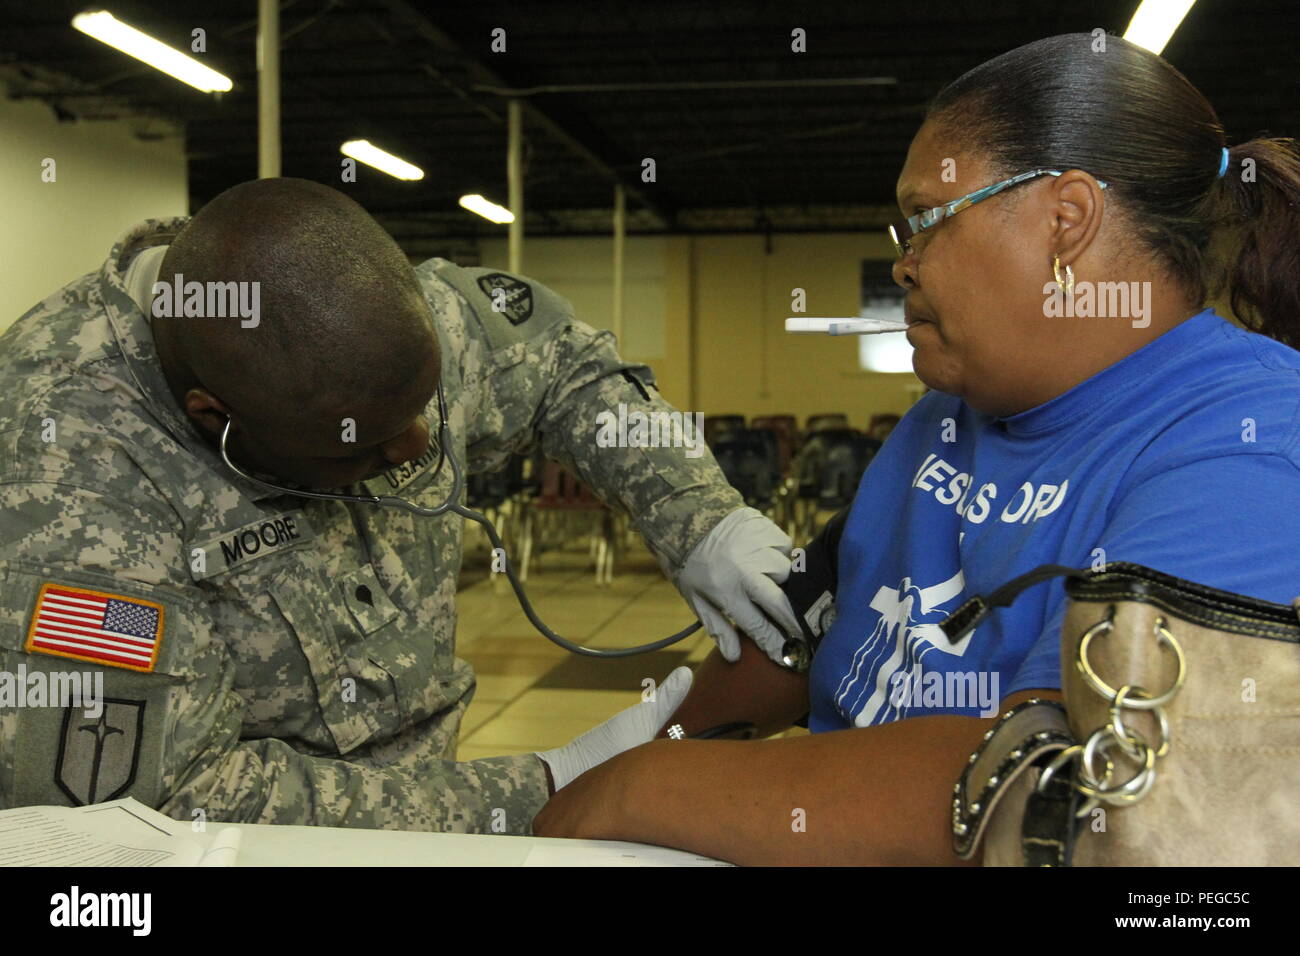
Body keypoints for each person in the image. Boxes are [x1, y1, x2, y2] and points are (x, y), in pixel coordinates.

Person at [532, 33, 1300, 864]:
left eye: (926, 219)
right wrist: (645, 744)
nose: (905, 263)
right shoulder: (948, 413)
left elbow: (1064, 785)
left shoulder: (1254, 440)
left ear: (1066, 220)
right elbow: (813, 628)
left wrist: (634, 784)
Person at [0, 177, 800, 832]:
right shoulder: (65, 473)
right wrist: (545, 781)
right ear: (215, 417)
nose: (416, 450)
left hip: (431, 809)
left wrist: (701, 518)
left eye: (421, 411)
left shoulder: (367, 323)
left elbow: (565, 363)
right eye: (362, 447)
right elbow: (154, 806)